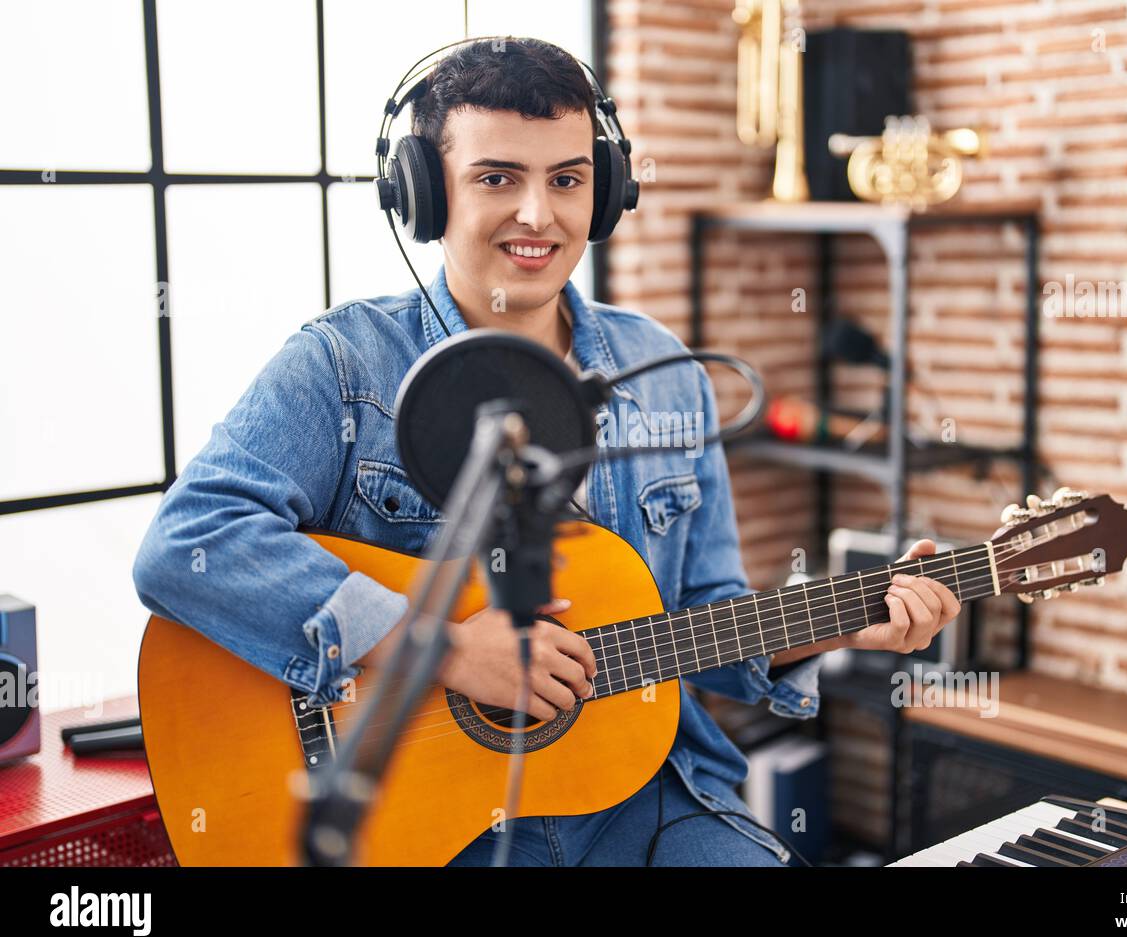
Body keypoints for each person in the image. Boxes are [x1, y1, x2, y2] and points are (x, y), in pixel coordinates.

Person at [131, 37, 962, 867]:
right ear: (423, 195)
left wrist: (834, 624)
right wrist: (445, 650)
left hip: (644, 800)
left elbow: (705, 620)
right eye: (497, 178)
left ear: (604, 196)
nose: (539, 215)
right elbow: (187, 544)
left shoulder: (665, 376)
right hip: (425, 829)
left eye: (567, 180)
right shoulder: (343, 366)